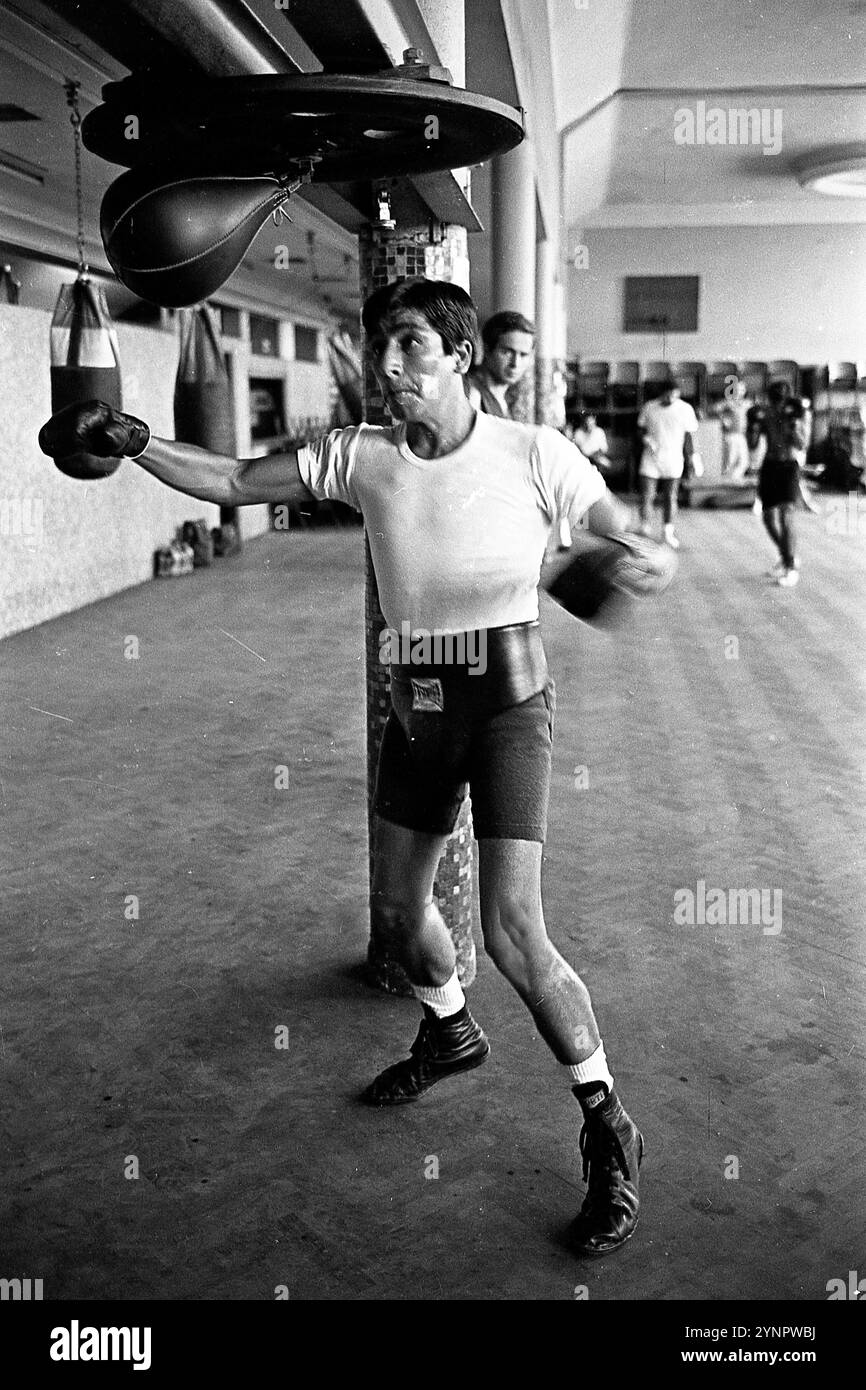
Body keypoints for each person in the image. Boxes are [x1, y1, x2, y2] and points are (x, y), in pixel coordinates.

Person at [38, 279, 675, 1258]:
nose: (389, 366)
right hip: (413, 704)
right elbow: (238, 480)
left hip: (505, 703)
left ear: (458, 354)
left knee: (511, 929)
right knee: (397, 914)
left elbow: (623, 533)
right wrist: (133, 438)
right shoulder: (362, 456)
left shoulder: (531, 452)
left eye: (410, 346)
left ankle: (605, 1122)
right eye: (380, 347)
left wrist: (641, 556)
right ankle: (449, 1029)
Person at [746, 379, 811, 586]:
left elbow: (802, 445)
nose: (777, 405)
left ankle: (790, 567)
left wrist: (793, 427)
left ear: (787, 399)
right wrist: (753, 426)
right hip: (770, 467)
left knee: (787, 516)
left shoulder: (798, 415)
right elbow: (752, 444)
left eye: (780, 401)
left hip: (789, 467)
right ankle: (786, 557)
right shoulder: (766, 413)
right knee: (768, 519)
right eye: (774, 401)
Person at [636, 376, 698, 550]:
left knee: (670, 496)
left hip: (673, 458)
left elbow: (689, 436)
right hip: (651, 457)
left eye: (674, 395)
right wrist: (646, 439)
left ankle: (667, 533)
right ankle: (644, 528)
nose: (670, 399)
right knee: (647, 495)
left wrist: (692, 458)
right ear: (661, 394)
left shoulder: (685, 409)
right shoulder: (649, 408)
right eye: (667, 395)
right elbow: (640, 429)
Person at [466, 309, 534, 418]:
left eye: (523, 355)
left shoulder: (508, 398)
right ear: (487, 350)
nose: (515, 363)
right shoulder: (472, 393)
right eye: (507, 352)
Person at [715, 378, 751, 481]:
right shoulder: (727, 403)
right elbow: (715, 408)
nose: (740, 392)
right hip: (731, 435)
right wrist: (723, 418)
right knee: (729, 463)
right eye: (737, 389)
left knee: (744, 462)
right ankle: (727, 483)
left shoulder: (746, 403)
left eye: (742, 389)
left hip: (742, 435)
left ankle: (734, 481)